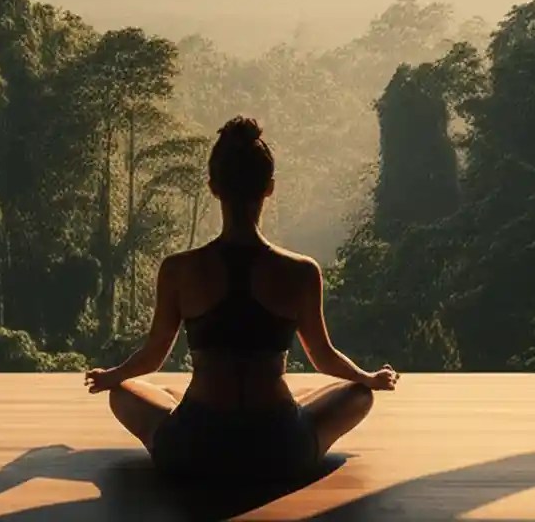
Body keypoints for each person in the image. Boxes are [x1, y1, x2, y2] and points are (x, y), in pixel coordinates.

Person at [84, 116, 399, 482]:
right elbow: (323, 357)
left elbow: (153, 355)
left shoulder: (179, 269)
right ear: (269, 188)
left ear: (214, 187)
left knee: (124, 392)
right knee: (358, 395)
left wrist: (112, 376)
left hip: (192, 447)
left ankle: (182, 411)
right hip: (280, 447)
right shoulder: (301, 271)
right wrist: (368, 378)